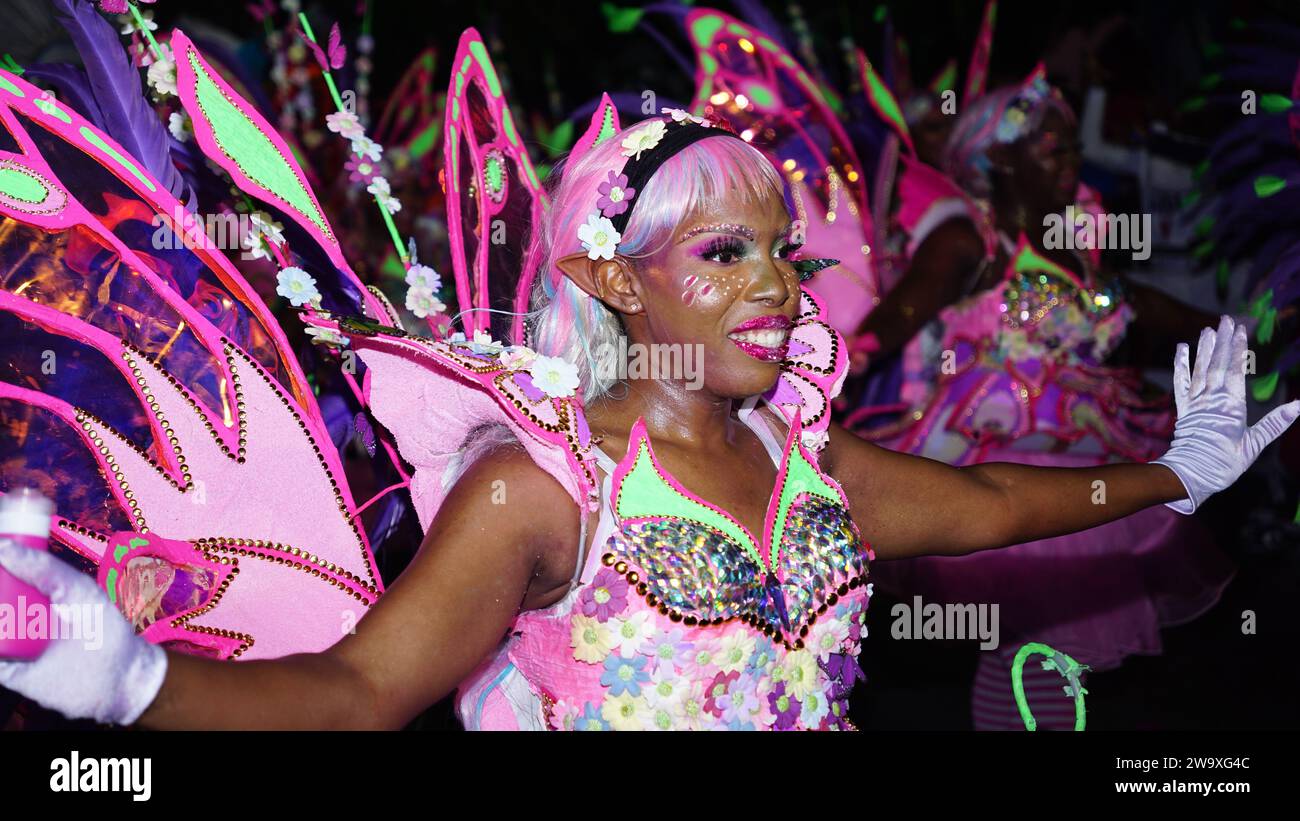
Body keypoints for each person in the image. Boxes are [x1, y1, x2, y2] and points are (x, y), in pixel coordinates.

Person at [1, 112, 1294, 731]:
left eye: (782, 253)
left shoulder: (810, 463)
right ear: (616, 280)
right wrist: (136, 681)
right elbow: (362, 687)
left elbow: (1004, 503)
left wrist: (1172, 474)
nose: (777, 286)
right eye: (726, 253)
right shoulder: (542, 487)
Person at [840, 72, 1252, 729]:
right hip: (991, 465)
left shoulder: (1084, 254)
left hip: (1087, 460)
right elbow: (894, 317)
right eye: (1051, 147)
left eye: (1071, 149)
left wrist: (1251, 328)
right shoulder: (969, 243)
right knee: (1031, 652)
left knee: (1052, 655)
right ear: (1000, 157)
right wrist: (848, 355)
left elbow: (1147, 310)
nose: (1070, 161)